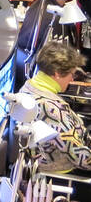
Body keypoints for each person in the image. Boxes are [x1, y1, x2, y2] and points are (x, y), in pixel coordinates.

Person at [15, 43, 91, 174]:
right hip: (66, 173)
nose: (72, 78)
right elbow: (81, 159)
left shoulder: (29, 86)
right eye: (71, 74)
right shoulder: (51, 110)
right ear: (57, 74)